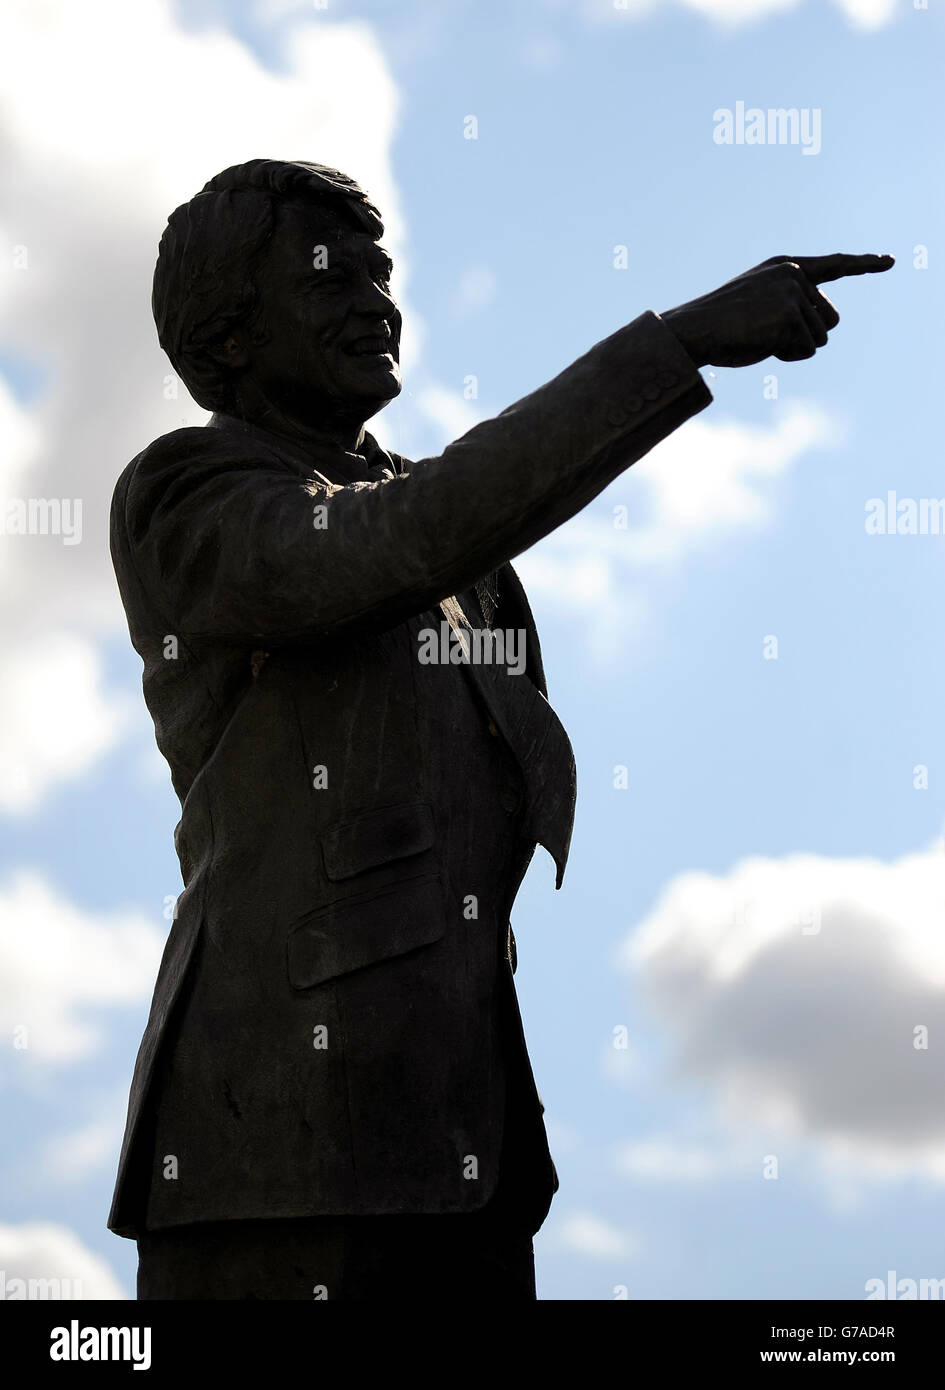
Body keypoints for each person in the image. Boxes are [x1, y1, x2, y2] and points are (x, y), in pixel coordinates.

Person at [108, 158, 892, 1300]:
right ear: (227, 336)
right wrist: (674, 346)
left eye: (384, 272)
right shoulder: (191, 489)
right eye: (329, 273)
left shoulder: (457, 553)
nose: (376, 300)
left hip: (462, 1153)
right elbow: (403, 534)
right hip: (270, 1150)